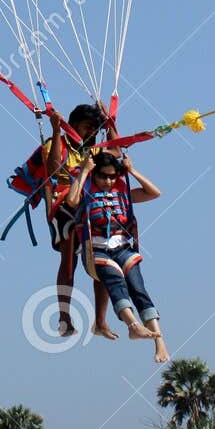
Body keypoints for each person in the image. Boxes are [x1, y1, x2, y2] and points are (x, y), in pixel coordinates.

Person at [83, 149, 169, 363]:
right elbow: (73, 200)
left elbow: (154, 192)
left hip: (123, 247)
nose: (108, 181)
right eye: (103, 176)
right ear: (95, 175)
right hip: (98, 249)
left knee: (138, 288)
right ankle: (133, 326)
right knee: (116, 283)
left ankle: (160, 342)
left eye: (113, 176)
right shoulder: (86, 194)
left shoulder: (123, 194)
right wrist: (83, 172)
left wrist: (132, 171)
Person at [41, 103, 117, 341]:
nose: (91, 133)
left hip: (90, 207)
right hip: (63, 205)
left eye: (95, 129)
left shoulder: (94, 152)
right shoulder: (57, 144)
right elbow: (53, 171)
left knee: (102, 256)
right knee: (69, 257)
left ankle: (101, 321)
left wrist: (110, 122)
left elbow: (116, 154)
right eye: (86, 128)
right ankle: (64, 317)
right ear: (72, 126)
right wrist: (55, 130)